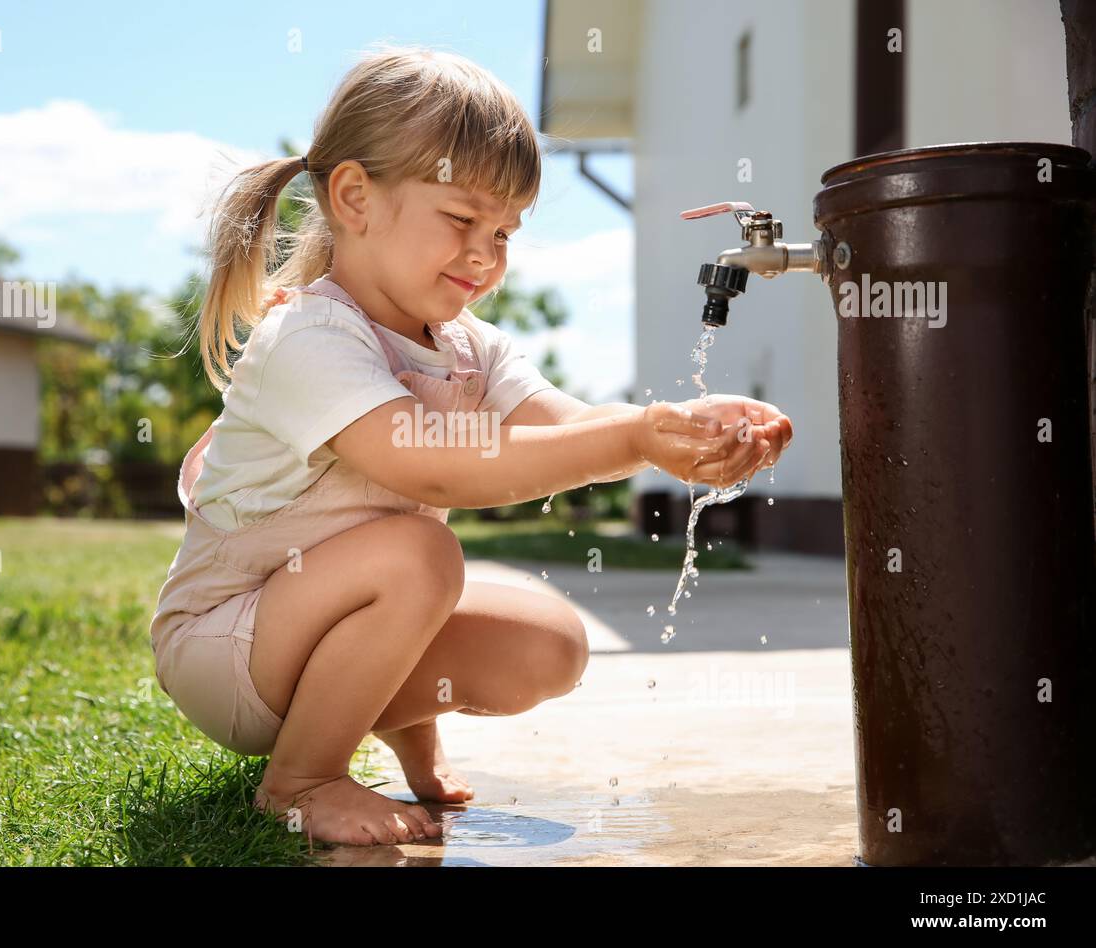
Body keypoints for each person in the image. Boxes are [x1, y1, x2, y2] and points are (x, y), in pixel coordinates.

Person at [149, 44, 792, 848]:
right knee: (420, 553)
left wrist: (678, 428)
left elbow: (564, 423)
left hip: (308, 636)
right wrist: (632, 438)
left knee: (550, 647)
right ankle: (301, 780)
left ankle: (393, 721)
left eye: (504, 231)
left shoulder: (469, 347)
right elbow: (431, 467)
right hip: (226, 651)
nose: (486, 255)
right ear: (355, 198)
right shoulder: (309, 336)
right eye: (461, 220)